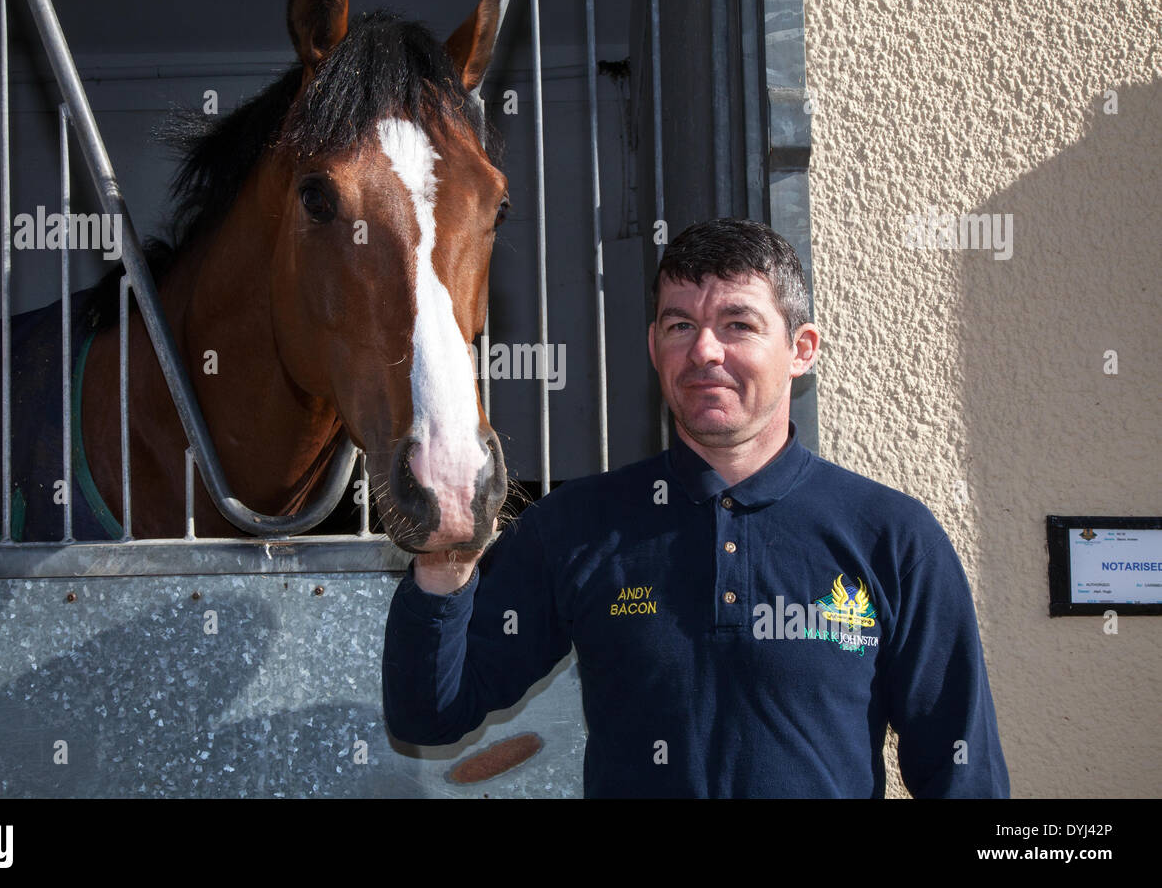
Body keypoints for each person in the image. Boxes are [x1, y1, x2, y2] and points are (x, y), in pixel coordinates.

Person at [381, 218, 1009, 798]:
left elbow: (961, 774)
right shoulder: (578, 524)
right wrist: (443, 568)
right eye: (681, 325)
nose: (705, 350)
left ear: (802, 349)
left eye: (738, 324)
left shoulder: (892, 538)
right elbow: (431, 715)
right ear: (655, 346)